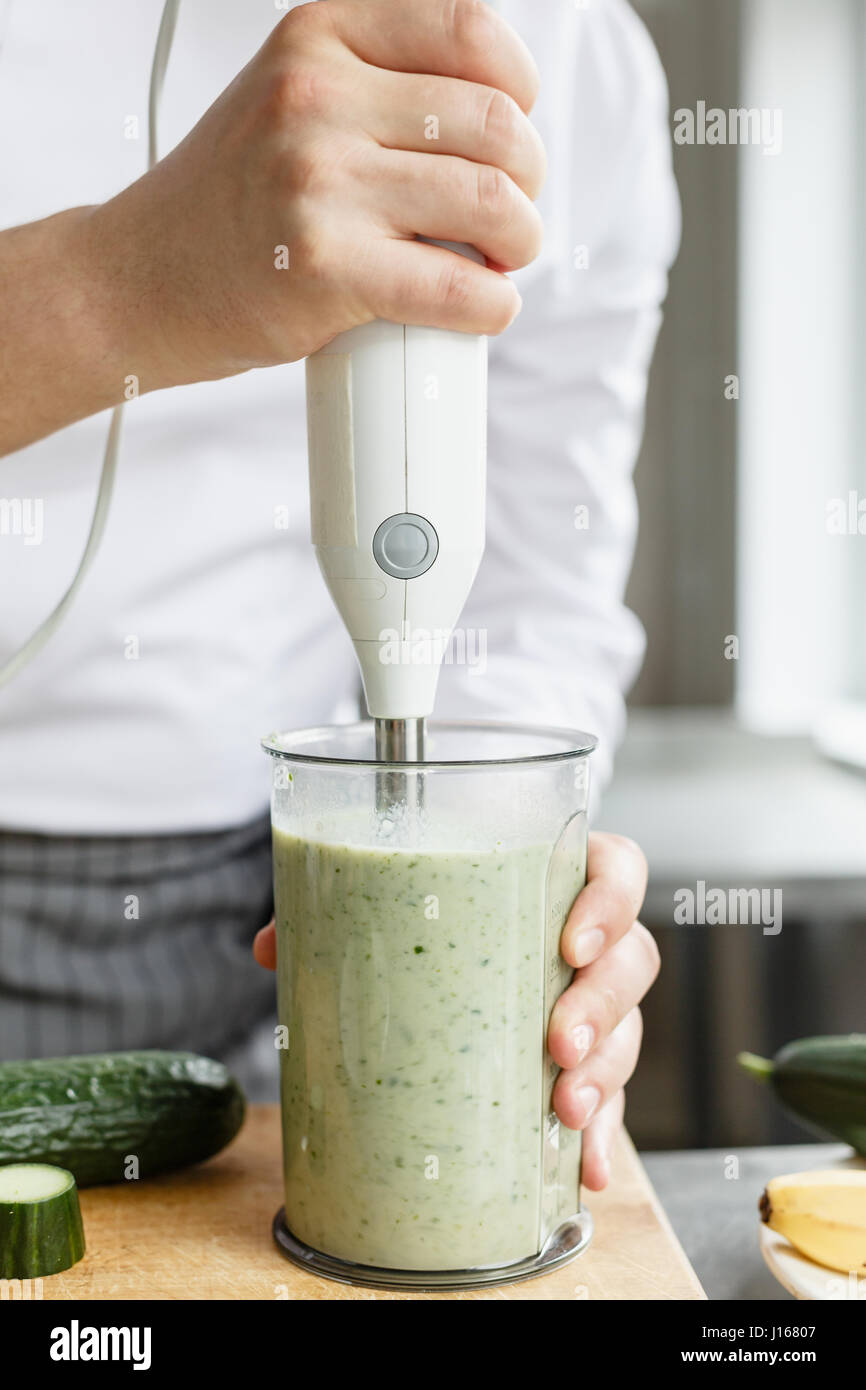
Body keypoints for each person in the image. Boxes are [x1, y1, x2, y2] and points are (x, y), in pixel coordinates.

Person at [0, 0, 679, 1191]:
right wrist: (126, 281)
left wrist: (515, 886)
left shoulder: (576, 55)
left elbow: (532, 592)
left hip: (272, 912)